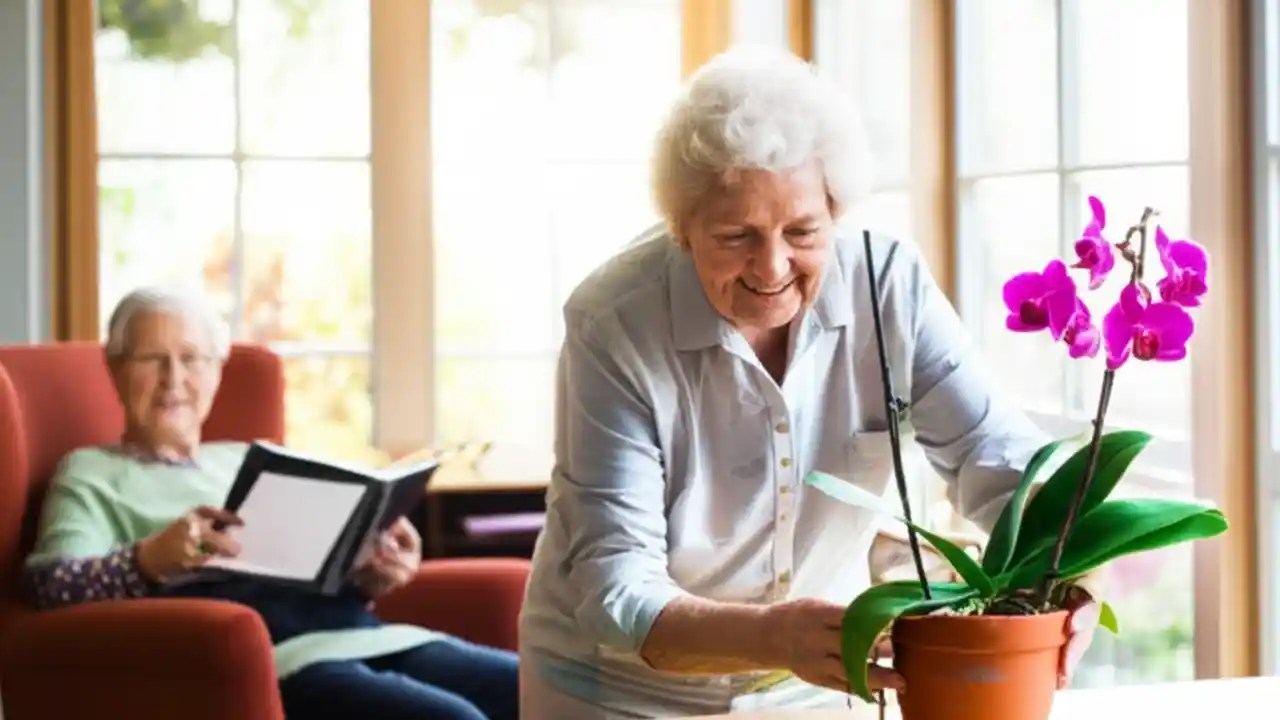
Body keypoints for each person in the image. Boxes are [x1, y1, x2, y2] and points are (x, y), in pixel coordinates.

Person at [517, 47, 1100, 718]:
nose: (772, 266)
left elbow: (998, 462)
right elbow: (616, 590)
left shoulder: (888, 287)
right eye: (736, 234)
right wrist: (773, 635)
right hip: (621, 688)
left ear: (836, 210)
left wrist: (1074, 576)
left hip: (815, 676)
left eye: (802, 230)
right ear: (681, 227)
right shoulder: (614, 323)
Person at [23, 286, 518, 720]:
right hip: (275, 661)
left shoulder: (246, 458)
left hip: (366, 634)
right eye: (152, 359)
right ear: (115, 368)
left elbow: (302, 567)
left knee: (537, 692)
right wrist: (149, 560)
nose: (174, 377)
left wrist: (369, 569)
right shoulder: (89, 473)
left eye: (192, 358)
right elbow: (48, 586)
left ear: (217, 371)